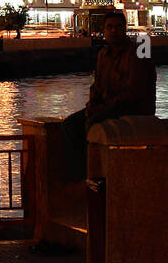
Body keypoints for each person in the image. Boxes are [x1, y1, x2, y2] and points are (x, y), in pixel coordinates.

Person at [59, 10, 156, 181]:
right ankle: (78, 176)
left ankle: (92, 176)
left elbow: (136, 90)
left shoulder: (141, 48)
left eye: (118, 27)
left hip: (133, 108)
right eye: (109, 27)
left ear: (125, 29)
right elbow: (97, 86)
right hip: (108, 107)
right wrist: (91, 105)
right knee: (69, 125)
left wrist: (101, 108)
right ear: (103, 31)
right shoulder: (103, 54)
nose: (114, 31)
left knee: (92, 124)